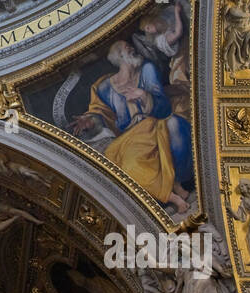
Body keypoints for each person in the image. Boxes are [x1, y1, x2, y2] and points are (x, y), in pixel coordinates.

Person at [71, 40, 192, 211]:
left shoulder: (147, 70)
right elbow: (100, 113)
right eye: (129, 49)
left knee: (131, 164)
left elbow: (163, 107)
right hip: (129, 136)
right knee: (113, 158)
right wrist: (90, 120)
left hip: (153, 124)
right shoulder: (103, 87)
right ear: (120, 57)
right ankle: (173, 190)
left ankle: (174, 192)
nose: (134, 49)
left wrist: (144, 96)